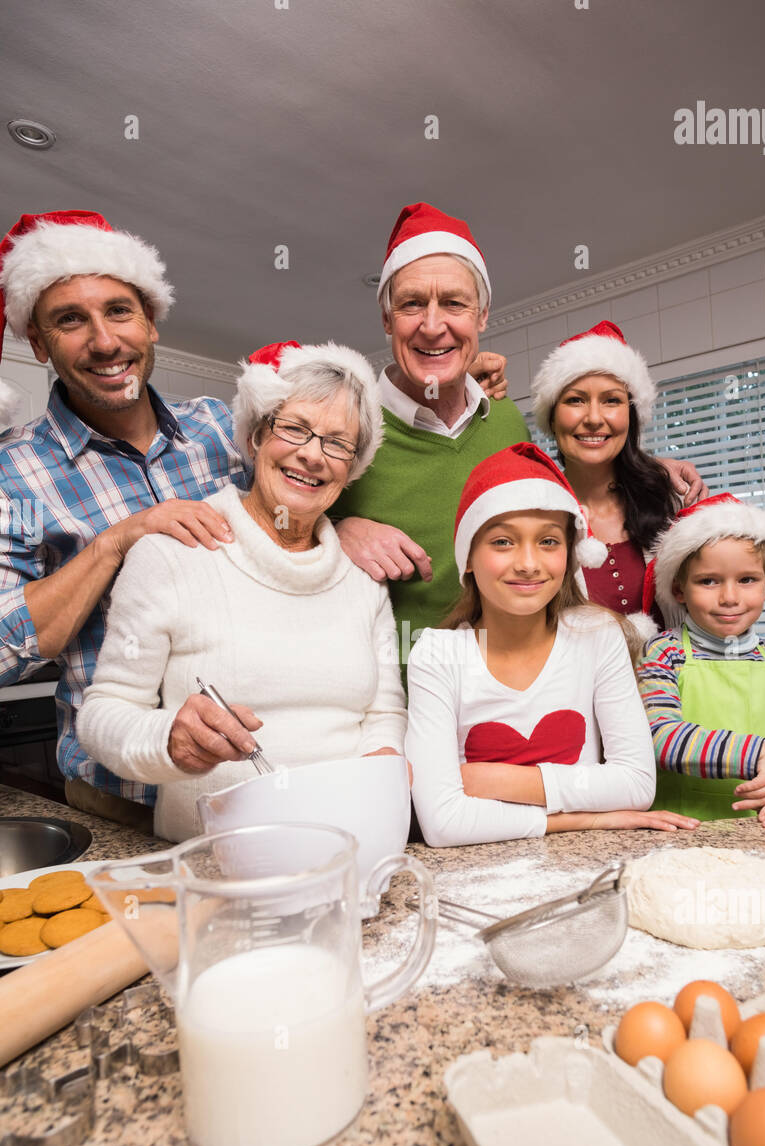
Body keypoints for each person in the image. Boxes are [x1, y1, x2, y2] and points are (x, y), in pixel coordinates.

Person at [334, 208, 706, 661]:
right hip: (406, 709)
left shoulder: (505, 419)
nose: (433, 325)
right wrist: (335, 528)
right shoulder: (348, 425)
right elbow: (269, 519)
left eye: (454, 303)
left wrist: (644, 468)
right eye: (412, 303)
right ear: (387, 319)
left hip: (522, 695)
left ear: (483, 316)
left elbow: (558, 482)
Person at [77, 339, 406, 843]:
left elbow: (384, 713)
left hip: (347, 852)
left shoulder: (362, 579)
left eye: (338, 443)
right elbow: (103, 715)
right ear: (255, 437)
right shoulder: (172, 556)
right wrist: (170, 739)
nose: (312, 455)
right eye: (294, 428)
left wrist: (382, 768)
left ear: (352, 467)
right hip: (214, 861)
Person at [0, 209, 249, 831]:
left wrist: (348, 523)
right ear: (38, 343)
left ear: (151, 324)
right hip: (121, 798)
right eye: (69, 320)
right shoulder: (12, 471)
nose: (105, 342)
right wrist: (116, 540)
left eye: (118, 311)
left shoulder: (222, 428)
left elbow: (319, 473)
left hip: (252, 778)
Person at [406, 442, 701, 847]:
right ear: (468, 558)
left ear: (570, 554)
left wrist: (496, 779)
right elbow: (443, 823)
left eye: (548, 542)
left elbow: (636, 784)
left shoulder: (597, 636)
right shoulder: (438, 654)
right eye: (502, 542)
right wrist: (590, 819)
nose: (528, 563)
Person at [635, 493, 765, 830]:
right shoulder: (663, 653)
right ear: (679, 590)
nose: (729, 598)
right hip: (675, 831)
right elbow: (659, 735)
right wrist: (758, 752)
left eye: (747, 580)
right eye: (708, 581)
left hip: (760, 830)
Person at [531, 319, 708, 637]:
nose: (594, 418)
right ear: (553, 417)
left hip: (673, 686)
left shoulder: (671, 501)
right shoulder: (532, 512)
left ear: (631, 415)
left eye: (611, 400)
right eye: (575, 400)